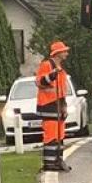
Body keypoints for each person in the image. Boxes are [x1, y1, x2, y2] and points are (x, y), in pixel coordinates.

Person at [34, 41, 73, 172]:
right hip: (48, 106)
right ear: (58, 53)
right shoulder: (46, 65)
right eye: (64, 51)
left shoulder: (61, 69)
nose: (66, 53)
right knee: (51, 136)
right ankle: (49, 164)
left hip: (58, 106)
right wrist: (52, 74)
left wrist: (64, 106)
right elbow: (40, 82)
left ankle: (58, 161)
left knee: (60, 136)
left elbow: (61, 90)